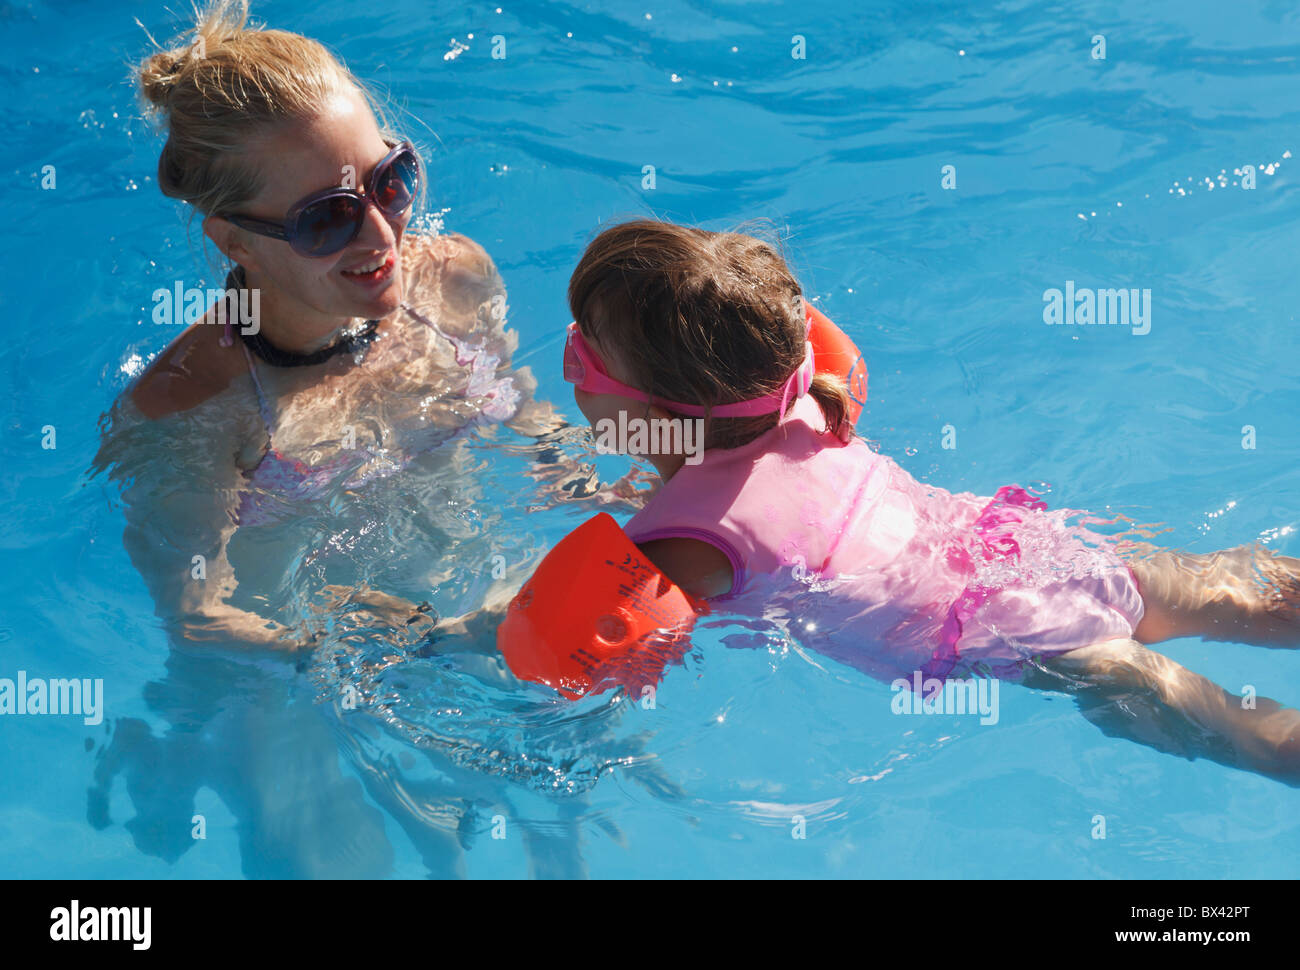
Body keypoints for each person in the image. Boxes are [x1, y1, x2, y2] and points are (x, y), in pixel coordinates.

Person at [511, 218, 1300, 785]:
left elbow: (595, 645)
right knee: (1225, 590)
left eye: (581, 352)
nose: (570, 363)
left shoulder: (683, 547)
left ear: (649, 415)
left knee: (1244, 736)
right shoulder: (811, 403)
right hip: (1025, 554)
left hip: (1013, 645)